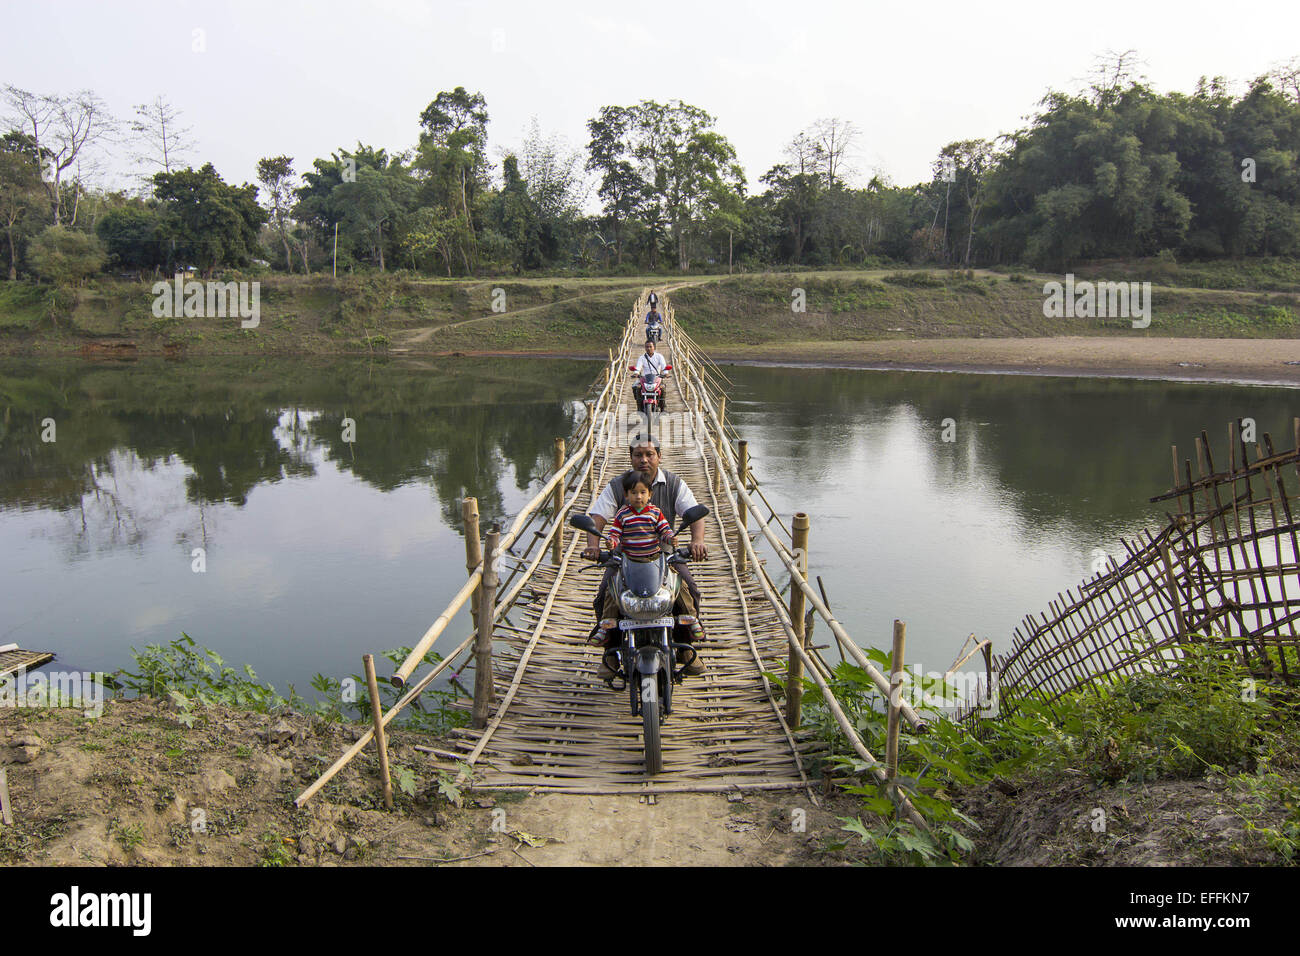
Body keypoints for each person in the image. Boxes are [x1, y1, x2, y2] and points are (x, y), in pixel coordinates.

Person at [583, 435, 708, 677]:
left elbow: (693, 513)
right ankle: (611, 654)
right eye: (638, 455)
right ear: (630, 458)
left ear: (659, 457)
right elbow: (598, 517)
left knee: (690, 588)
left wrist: (697, 541)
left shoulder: (674, 484)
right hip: (624, 559)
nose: (644, 460)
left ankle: (686, 648)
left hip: (663, 556)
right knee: (604, 594)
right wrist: (594, 546)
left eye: (649, 454)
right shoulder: (618, 486)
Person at [632, 339, 667, 412]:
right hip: (645, 378)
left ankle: (663, 407)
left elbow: (664, 366)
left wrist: (666, 373)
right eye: (647, 347)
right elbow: (638, 367)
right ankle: (639, 406)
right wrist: (636, 373)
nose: (649, 348)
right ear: (645, 348)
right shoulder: (642, 357)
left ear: (654, 347)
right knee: (637, 387)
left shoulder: (659, 356)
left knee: (663, 388)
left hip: (657, 378)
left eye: (650, 346)